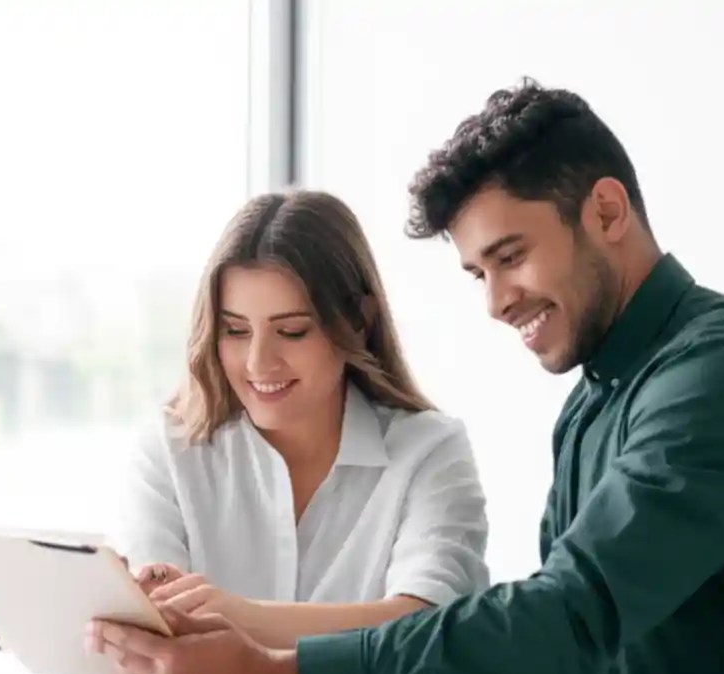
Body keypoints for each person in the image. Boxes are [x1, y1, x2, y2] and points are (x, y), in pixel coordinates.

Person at [87, 79, 724, 674]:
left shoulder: (723, 378)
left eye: (511, 257)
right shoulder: (600, 398)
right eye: (479, 272)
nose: (497, 301)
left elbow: (569, 620)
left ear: (607, 211)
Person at [103, 189, 490, 650]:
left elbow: (427, 628)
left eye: (291, 331)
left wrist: (241, 616)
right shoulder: (170, 449)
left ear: (358, 320)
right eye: (236, 330)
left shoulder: (429, 450)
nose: (258, 363)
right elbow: (160, 628)